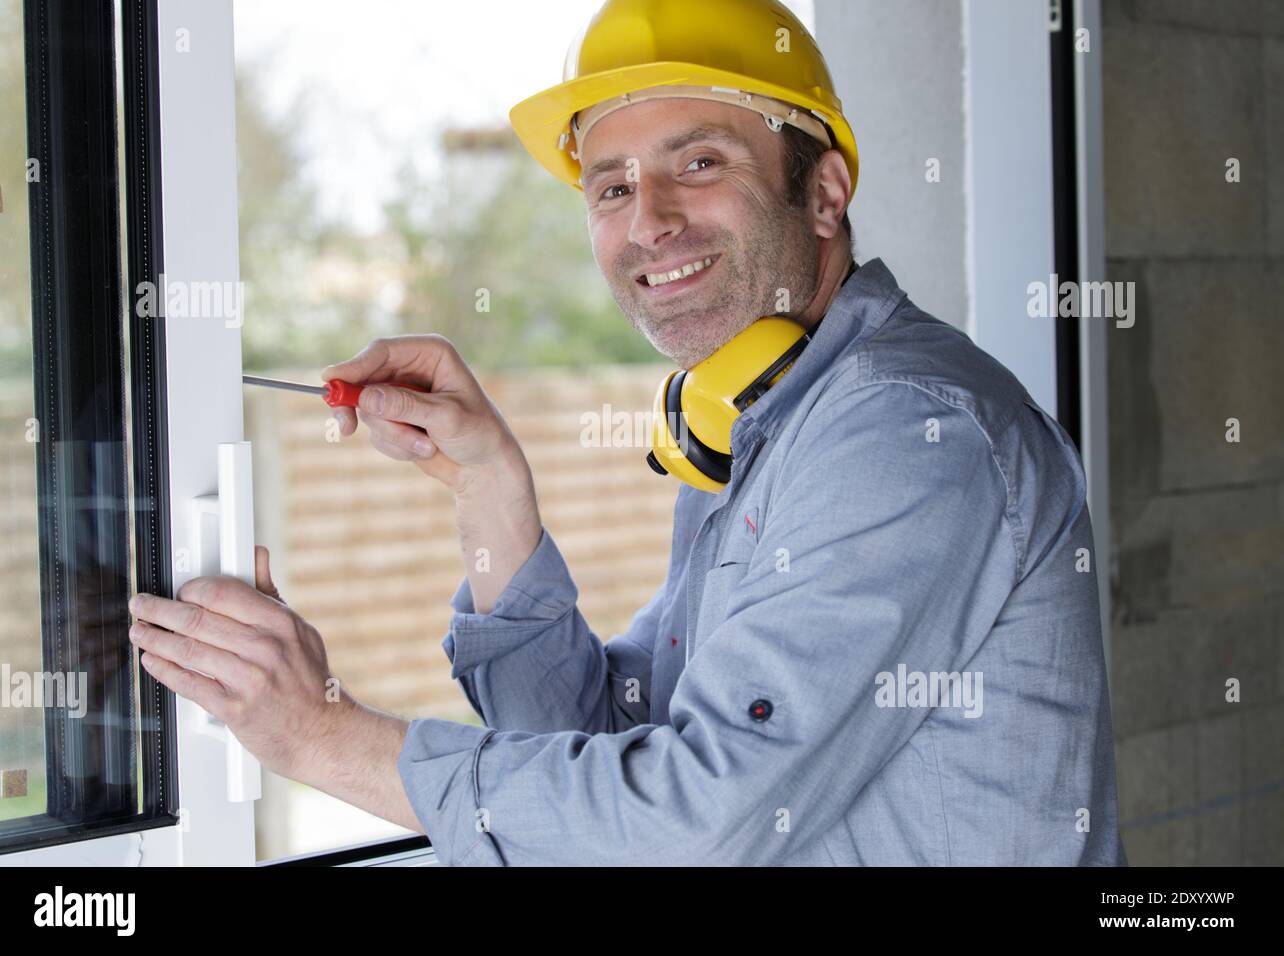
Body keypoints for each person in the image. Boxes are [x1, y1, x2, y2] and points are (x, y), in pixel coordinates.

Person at [129, 0, 1126, 865]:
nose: (648, 219)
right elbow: (607, 737)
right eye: (610, 186)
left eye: (697, 161)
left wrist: (319, 736)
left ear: (823, 192)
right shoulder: (761, 420)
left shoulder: (906, 436)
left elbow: (692, 825)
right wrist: (490, 490)